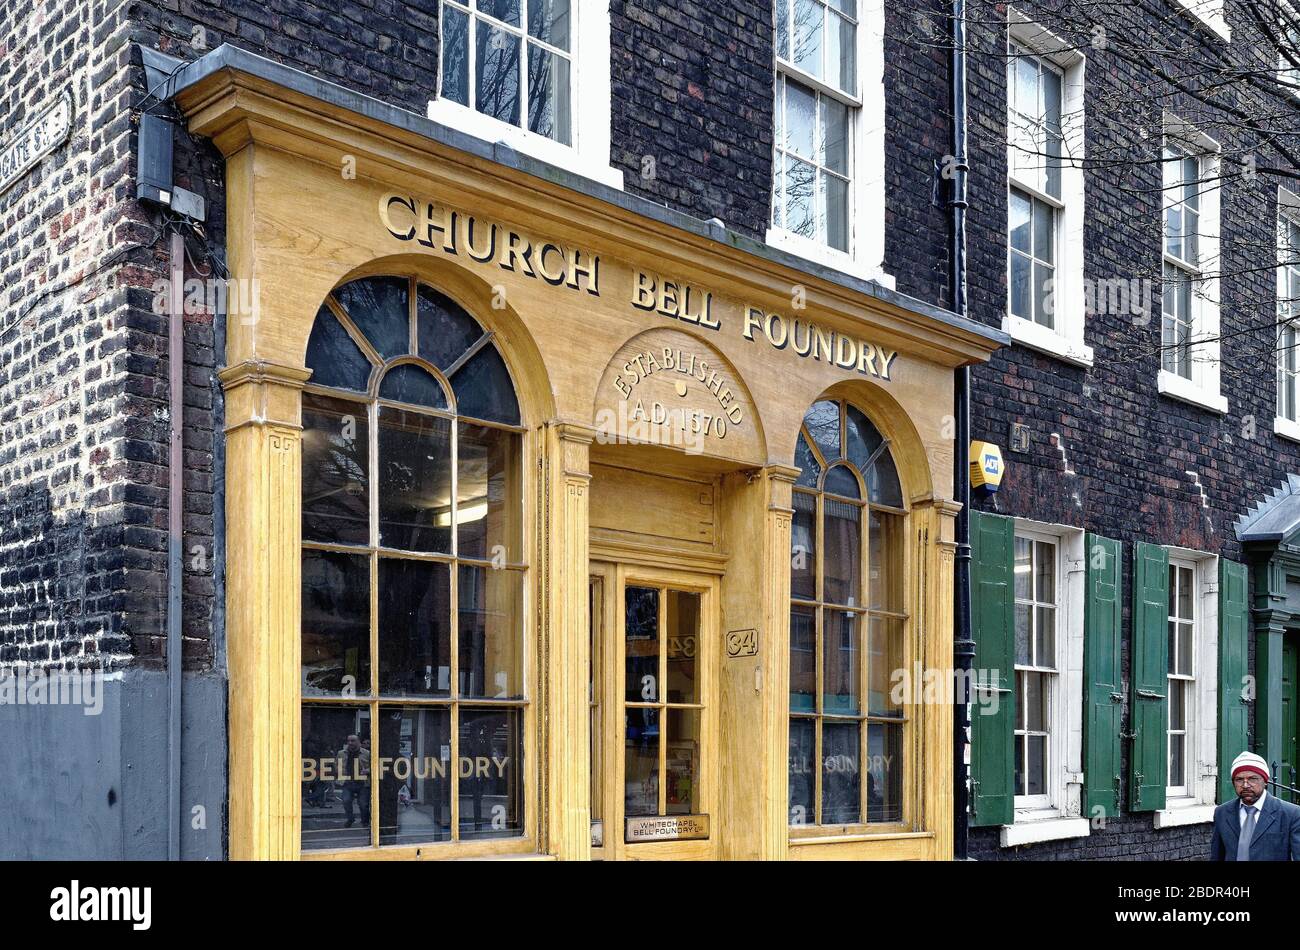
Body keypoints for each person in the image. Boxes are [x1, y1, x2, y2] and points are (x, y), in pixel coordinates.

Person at [1209, 751, 1300, 860]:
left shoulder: (1291, 813)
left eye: (1252, 779)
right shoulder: (1222, 812)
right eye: (1239, 779)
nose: (1245, 785)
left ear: (1265, 781)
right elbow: (1217, 855)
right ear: (1233, 783)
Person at [337, 733, 370, 829]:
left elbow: (374, 766)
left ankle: (365, 821)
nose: (350, 743)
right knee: (346, 800)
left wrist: (367, 771)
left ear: (359, 742)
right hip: (348, 782)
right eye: (348, 741)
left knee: (363, 804)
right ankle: (350, 818)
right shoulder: (341, 753)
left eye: (353, 741)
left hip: (363, 783)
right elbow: (337, 764)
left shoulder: (367, 753)